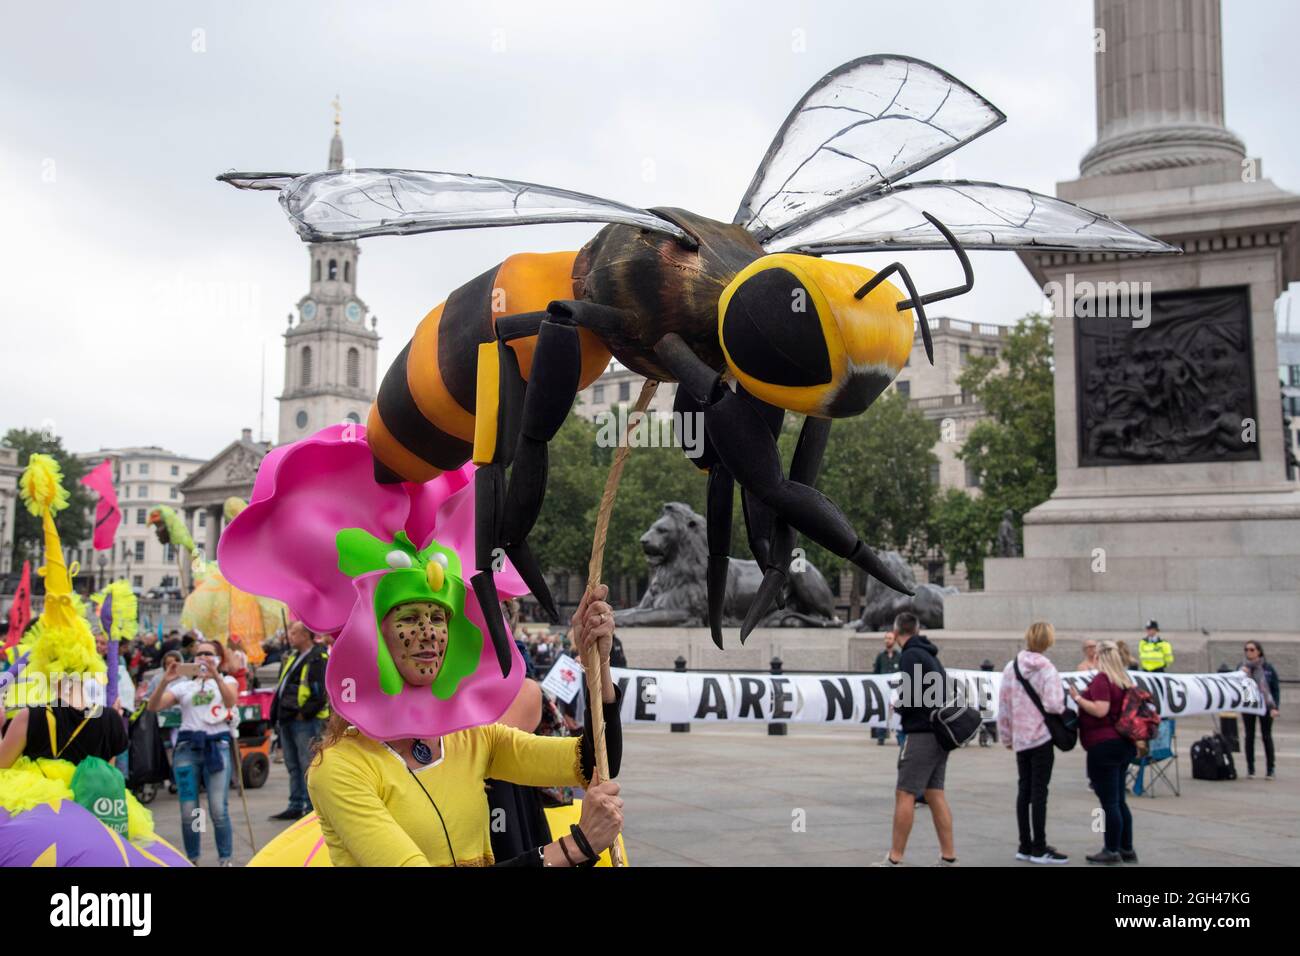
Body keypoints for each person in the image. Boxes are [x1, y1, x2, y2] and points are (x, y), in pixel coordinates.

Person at [309, 585, 624, 866]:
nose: (428, 631)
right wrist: (575, 846)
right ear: (371, 636)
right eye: (409, 618)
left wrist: (597, 665)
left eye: (437, 618)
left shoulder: (469, 736)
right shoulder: (340, 767)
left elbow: (595, 760)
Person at [874, 612, 957, 867]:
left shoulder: (909, 656)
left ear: (897, 633)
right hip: (940, 734)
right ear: (917, 629)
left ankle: (895, 858)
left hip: (920, 734)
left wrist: (898, 705)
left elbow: (911, 698)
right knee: (935, 794)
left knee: (905, 793)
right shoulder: (930, 655)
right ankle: (948, 856)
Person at [147, 638, 239, 866]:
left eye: (208, 653)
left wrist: (216, 675)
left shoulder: (227, 680)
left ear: (218, 658)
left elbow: (230, 701)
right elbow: (153, 706)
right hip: (187, 749)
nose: (203, 658)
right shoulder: (183, 686)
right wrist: (165, 682)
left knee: (218, 809)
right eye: (199, 654)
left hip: (217, 746)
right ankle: (193, 858)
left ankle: (225, 859)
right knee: (191, 812)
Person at [998, 622, 1068, 864]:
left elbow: (1003, 705)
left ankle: (1024, 845)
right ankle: (1039, 847)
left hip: (1021, 738)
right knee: (1040, 792)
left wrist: (1007, 736)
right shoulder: (1047, 669)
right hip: (1041, 737)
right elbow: (1053, 705)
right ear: (1048, 641)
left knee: (1023, 791)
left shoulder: (1011, 667)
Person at [1069, 641, 1137, 865]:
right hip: (1124, 743)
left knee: (1109, 802)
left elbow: (1100, 710)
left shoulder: (1102, 679)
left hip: (1103, 744)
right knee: (1119, 800)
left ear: (1100, 657)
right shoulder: (1124, 679)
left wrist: (1078, 698)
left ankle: (1111, 849)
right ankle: (1126, 848)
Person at [269, 621, 329, 820]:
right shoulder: (293, 657)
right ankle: (296, 803)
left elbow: (321, 693)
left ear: (306, 635)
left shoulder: (318, 657)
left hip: (305, 720)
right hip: (287, 718)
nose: (290, 635)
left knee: (307, 765)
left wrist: (305, 713)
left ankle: (312, 808)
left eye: (294, 632)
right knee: (292, 764)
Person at [1240, 641, 1280, 779]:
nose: (1248, 652)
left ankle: (1270, 768)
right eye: (1246, 649)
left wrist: (1275, 707)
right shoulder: (1242, 667)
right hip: (1249, 704)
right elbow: (1234, 686)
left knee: (1266, 736)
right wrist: (1242, 674)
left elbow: (1275, 688)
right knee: (1249, 736)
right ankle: (1250, 768)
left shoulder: (1268, 668)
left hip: (1265, 705)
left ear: (1259, 651)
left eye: (1251, 649)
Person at [872, 631, 902, 745]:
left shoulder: (900, 656)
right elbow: (876, 672)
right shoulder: (880, 656)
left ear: (894, 641)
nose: (887, 640)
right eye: (886, 638)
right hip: (883, 688)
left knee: (898, 712)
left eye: (890, 638)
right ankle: (881, 736)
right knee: (882, 712)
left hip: (896, 689)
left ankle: (900, 736)